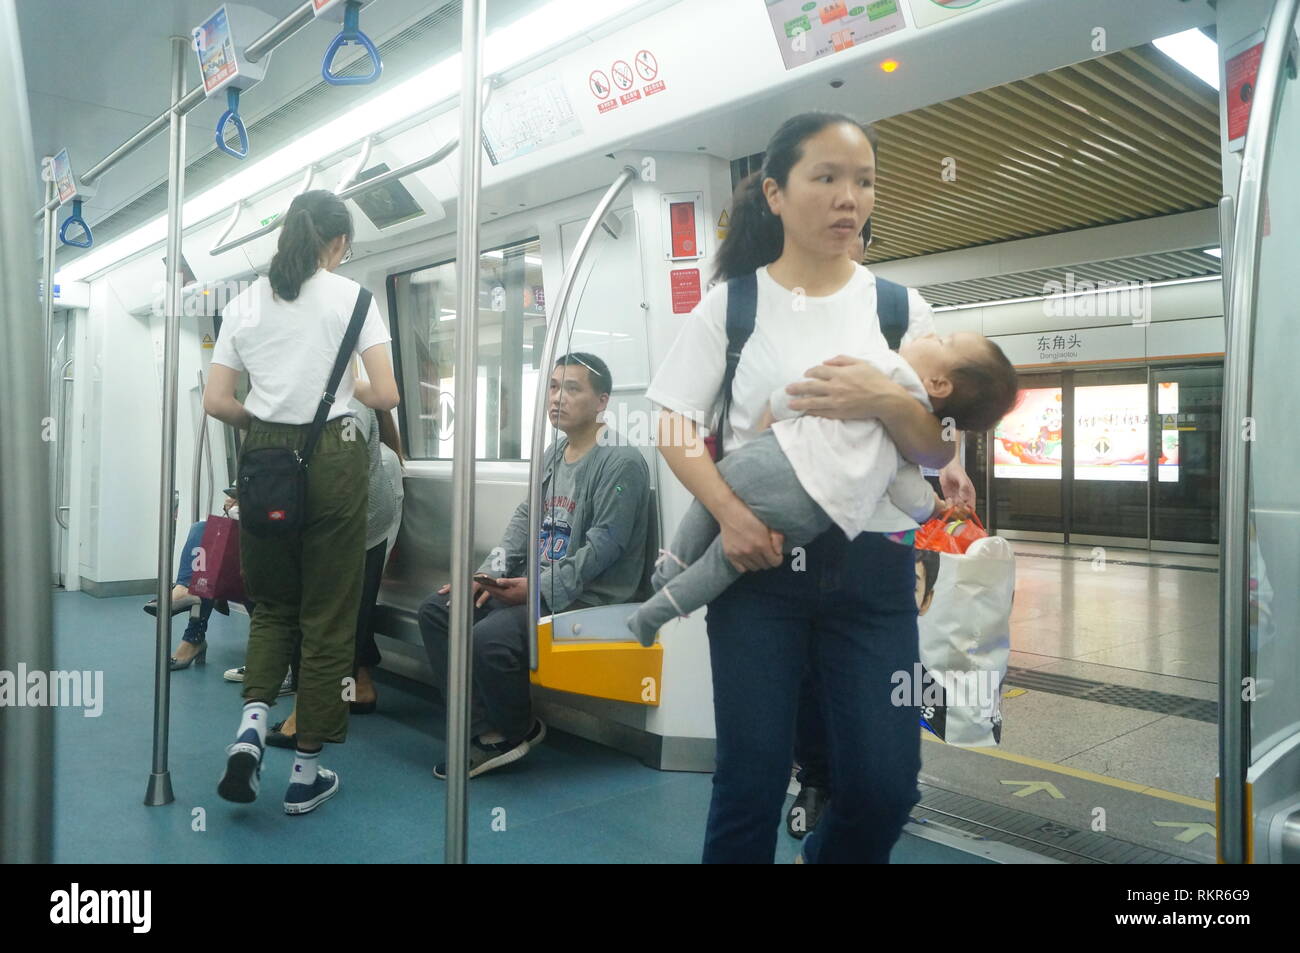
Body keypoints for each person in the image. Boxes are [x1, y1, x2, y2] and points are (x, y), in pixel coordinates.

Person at [645, 112, 965, 863]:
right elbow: (673, 424)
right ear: (776, 194)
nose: (848, 197)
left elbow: (933, 449)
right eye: (825, 177)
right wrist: (728, 516)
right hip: (759, 566)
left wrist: (881, 400)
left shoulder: (900, 309)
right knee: (750, 779)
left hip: (873, 573)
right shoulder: (735, 306)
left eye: (863, 181)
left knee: (887, 784)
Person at [203, 189, 399, 816]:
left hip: (264, 459)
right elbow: (388, 394)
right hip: (336, 457)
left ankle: (251, 729)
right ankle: (305, 773)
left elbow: (216, 401)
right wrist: (351, 388)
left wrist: (264, 421)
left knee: (273, 607)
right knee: (328, 613)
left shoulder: (241, 305)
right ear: (338, 244)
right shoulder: (356, 300)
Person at [417, 352, 650, 779]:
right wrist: (485, 574)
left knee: (490, 637)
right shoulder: (554, 452)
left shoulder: (621, 461)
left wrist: (538, 590)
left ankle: (513, 730)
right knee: (439, 611)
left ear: (602, 401)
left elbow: (605, 547)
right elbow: (525, 520)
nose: (558, 398)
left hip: (587, 598)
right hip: (536, 585)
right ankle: (479, 727)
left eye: (573, 389)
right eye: (554, 387)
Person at [264, 401, 405, 747]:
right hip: (365, 515)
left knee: (320, 617)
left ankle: (309, 717)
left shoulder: (345, 404)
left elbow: (341, 475)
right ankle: (358, 687)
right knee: (352, 610)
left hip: (350, 517)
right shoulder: (355, 395)